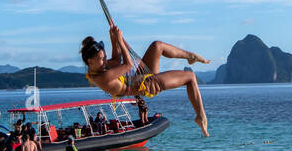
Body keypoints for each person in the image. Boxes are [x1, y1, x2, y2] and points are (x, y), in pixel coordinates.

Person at [81, 24, 210, 136]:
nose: (105, 61)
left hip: (142, 76)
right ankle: (200, 116)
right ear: (90, 61)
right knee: (190, 77)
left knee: (157, 45)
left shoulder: (98, 68)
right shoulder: (101, 77)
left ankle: (191, 56)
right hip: (146, 85)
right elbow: (128, 65)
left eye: (104, 57)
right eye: (101, 59)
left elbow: (116, 60)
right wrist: (120, 40)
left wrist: (113, 37)